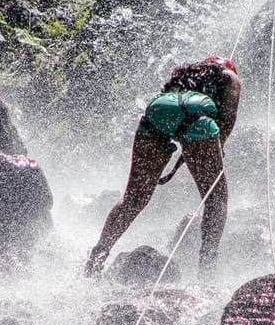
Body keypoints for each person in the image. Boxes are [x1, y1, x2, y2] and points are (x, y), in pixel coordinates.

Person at [85, 57, 241, 278]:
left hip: (158, 110)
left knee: (134, 198)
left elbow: (176, 110)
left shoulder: (183, 75)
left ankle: (96, 258)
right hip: (199, 117)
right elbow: (228, 118)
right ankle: (207, 268)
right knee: (216, 199)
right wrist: (216, 145)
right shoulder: (229, 76)